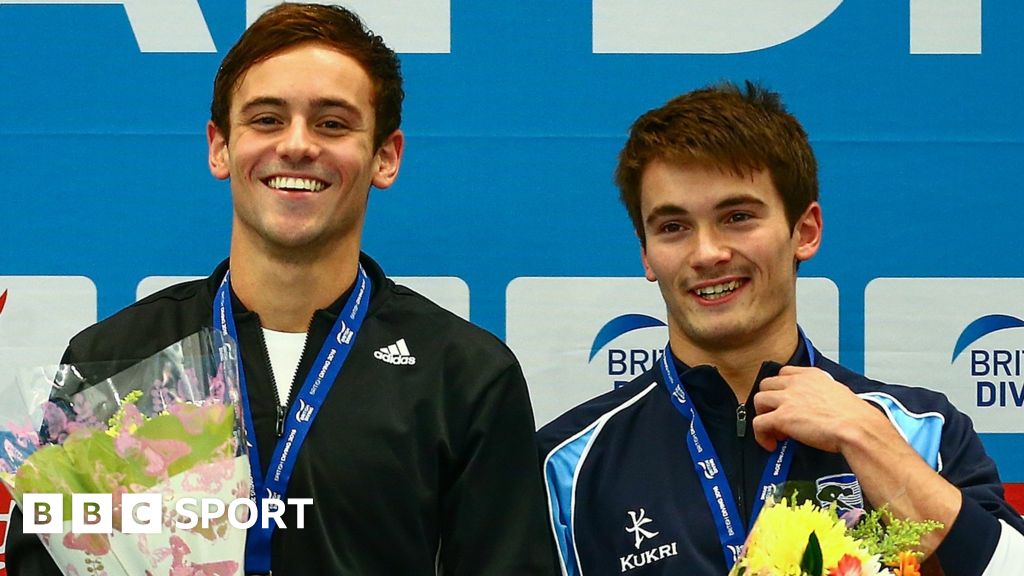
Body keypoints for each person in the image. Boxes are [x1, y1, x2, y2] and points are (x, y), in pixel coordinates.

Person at [7, 3, 556, 575]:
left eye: (333, 123)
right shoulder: (114, 360)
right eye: (267, 119)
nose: (297, 145)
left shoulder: (464, 375)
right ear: (220, 146)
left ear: (385, 157)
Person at [538, 81, 1024, 575]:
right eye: (673, 227)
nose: (707, 253)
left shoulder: (921, 430)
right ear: (646, 254)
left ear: (805, 231)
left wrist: (864, 437)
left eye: (738, 217)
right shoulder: (568, 464)